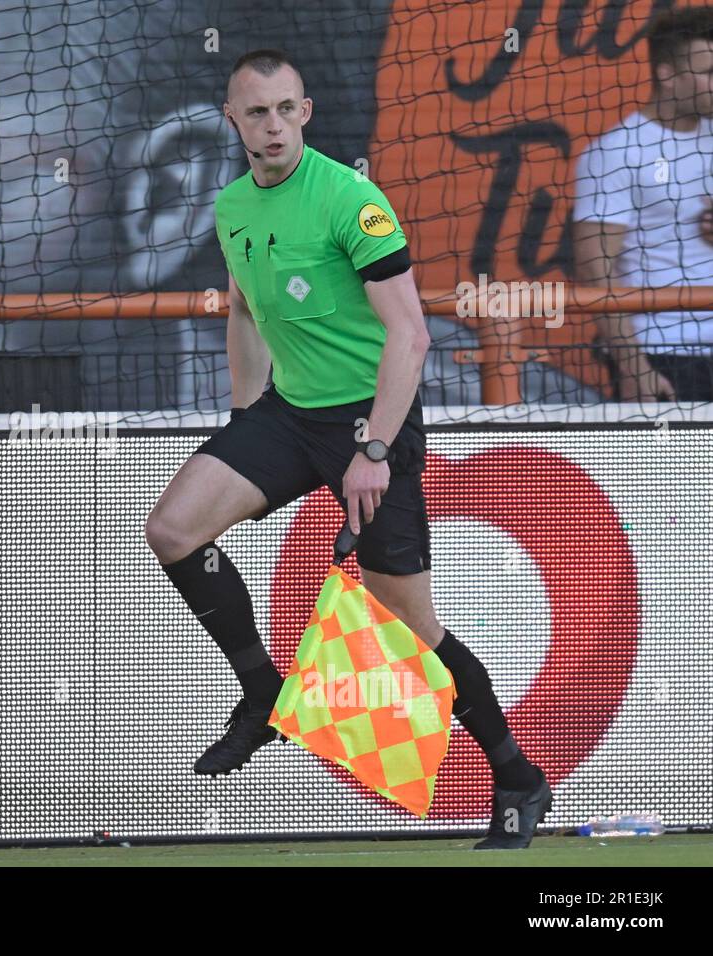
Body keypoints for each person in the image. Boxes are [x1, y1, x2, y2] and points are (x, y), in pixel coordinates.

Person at [143, 50, 552, 849]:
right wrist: (241, 426)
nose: (271, 125)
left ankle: (515, 774)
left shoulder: (350, 200)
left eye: (284, 109)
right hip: (289, 415)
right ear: (233, 120)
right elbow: (247, 314)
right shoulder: (231, 206)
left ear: (306, 113)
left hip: (373, 420)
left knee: (410, 620)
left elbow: (412, 333)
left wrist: (375, 449)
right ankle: (263, 693)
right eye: (255, 112)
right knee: (173, 530)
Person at [575, 6, 713, 401]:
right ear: (667, 75)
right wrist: (634, 368)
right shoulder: (616, 151)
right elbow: (596, 271)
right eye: (709, 73)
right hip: (666, 350)